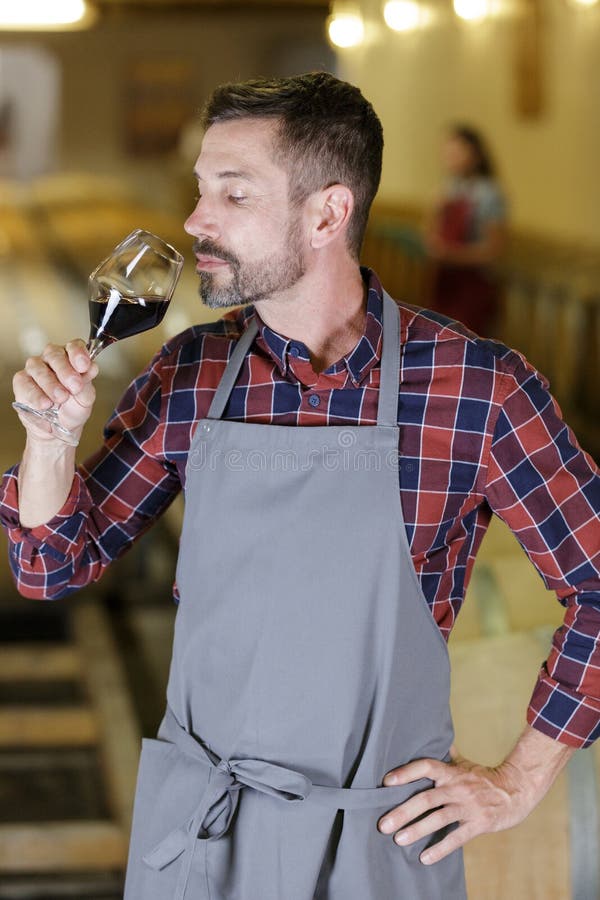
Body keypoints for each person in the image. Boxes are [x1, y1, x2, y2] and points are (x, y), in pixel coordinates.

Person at [1, 72, 599, 900]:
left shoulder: (476, 389)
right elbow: (51, 567)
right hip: (197, 840)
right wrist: (48, 444)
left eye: (232, 196)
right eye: (201, 190)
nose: (194, 221)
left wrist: (519, 781)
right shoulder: (192, 373)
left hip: (373, 847)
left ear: (327, 213)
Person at [424, 124, 508, 336]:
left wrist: (453, 255)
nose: (450, 157)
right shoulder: (449, 187)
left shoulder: (489, 193)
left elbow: (494, 250)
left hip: (473, 286)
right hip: (445, 282)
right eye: (448, 152)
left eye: (457, 152)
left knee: (466, 342)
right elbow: (432, 231)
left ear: (475, 154)